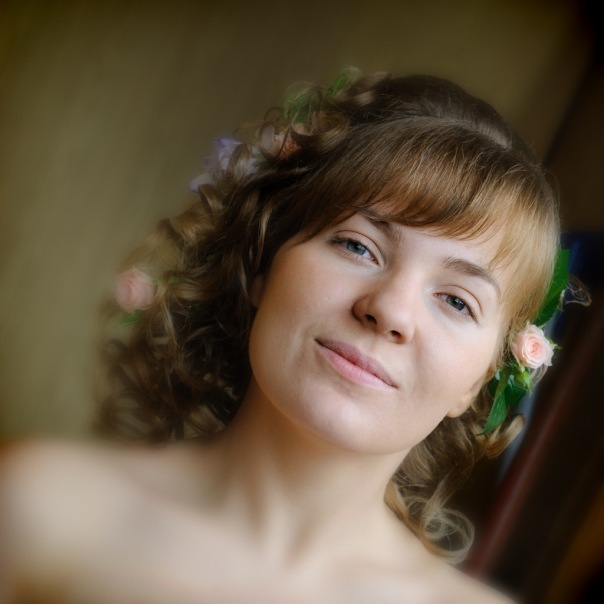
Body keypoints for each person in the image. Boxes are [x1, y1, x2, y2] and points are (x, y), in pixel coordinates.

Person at [0, 69, 562, 603]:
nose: (390, 310)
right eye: (358, 246)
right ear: (262, 264)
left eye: (457, 301)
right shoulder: (37, 512)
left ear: (477, 381)